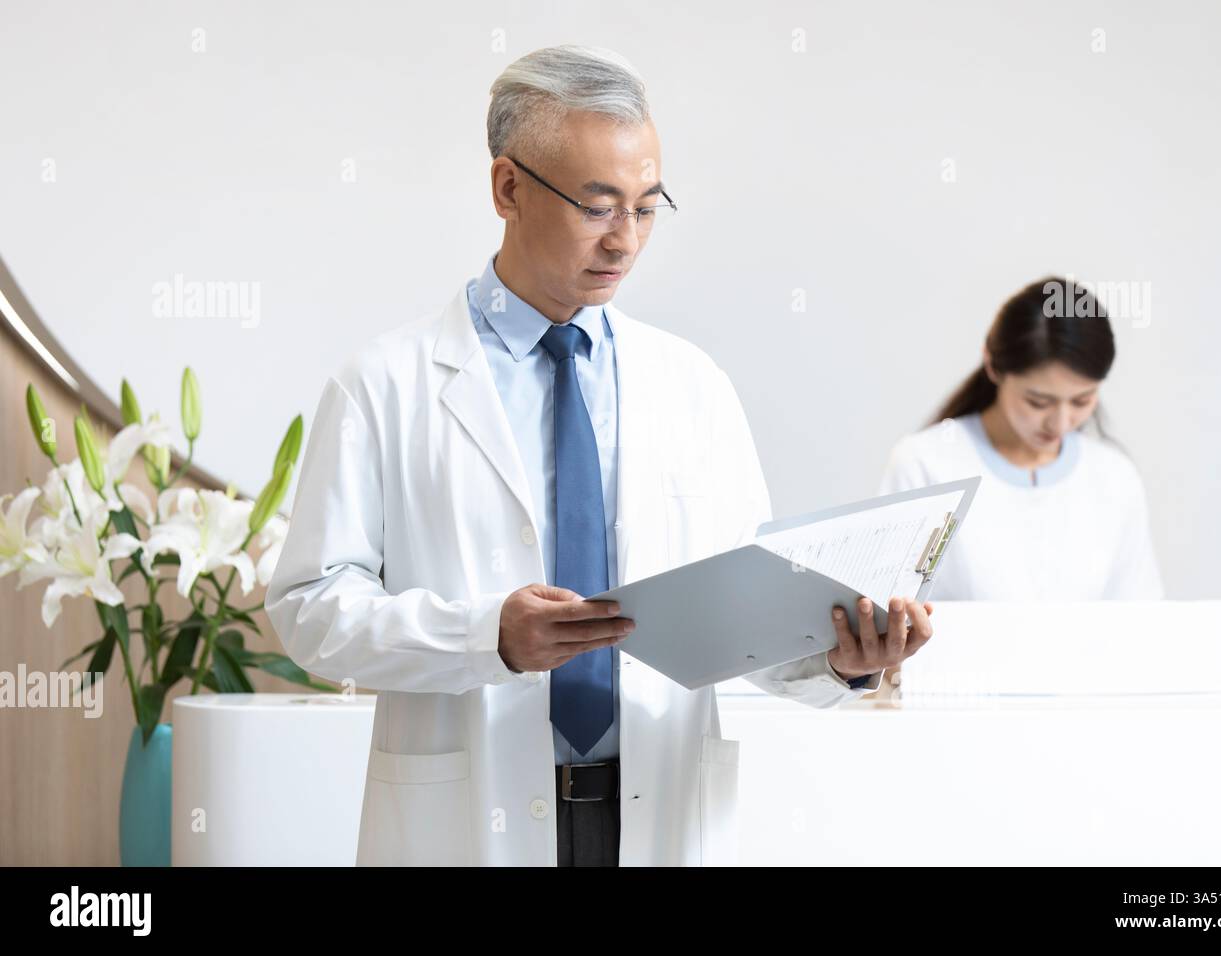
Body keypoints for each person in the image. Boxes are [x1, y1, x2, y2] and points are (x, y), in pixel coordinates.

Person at [265, 45, 934, 867]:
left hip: (659, 804)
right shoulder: (384, 385)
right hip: (471, 817)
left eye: (647, 208)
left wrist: (841, 656)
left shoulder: (692, 385)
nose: (625, 240)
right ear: (507, 188)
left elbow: (748, 618)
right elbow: (308, 610)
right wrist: (487, 637)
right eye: (598, 206)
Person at [877, 276, 1164, 601]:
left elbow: (1141, 618)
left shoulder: (1114, 477)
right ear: (993, 365)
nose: (1061, 422)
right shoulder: (924, 464)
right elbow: (890, 616)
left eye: (1082, 401)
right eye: (1038, 402)